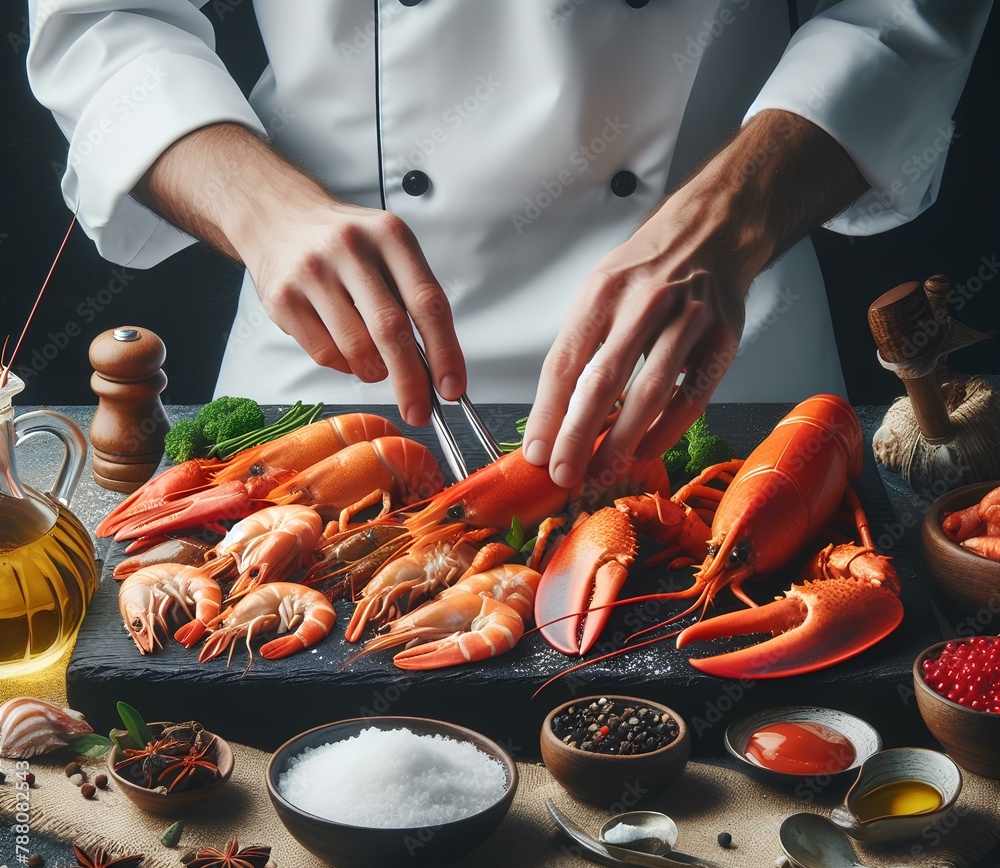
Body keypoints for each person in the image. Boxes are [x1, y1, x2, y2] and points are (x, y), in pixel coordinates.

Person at [27, 1, 991, 489]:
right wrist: (263, 210)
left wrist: (731, 223)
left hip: (718, 371)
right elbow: (105, 18)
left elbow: (903, 11)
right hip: (332, 361)